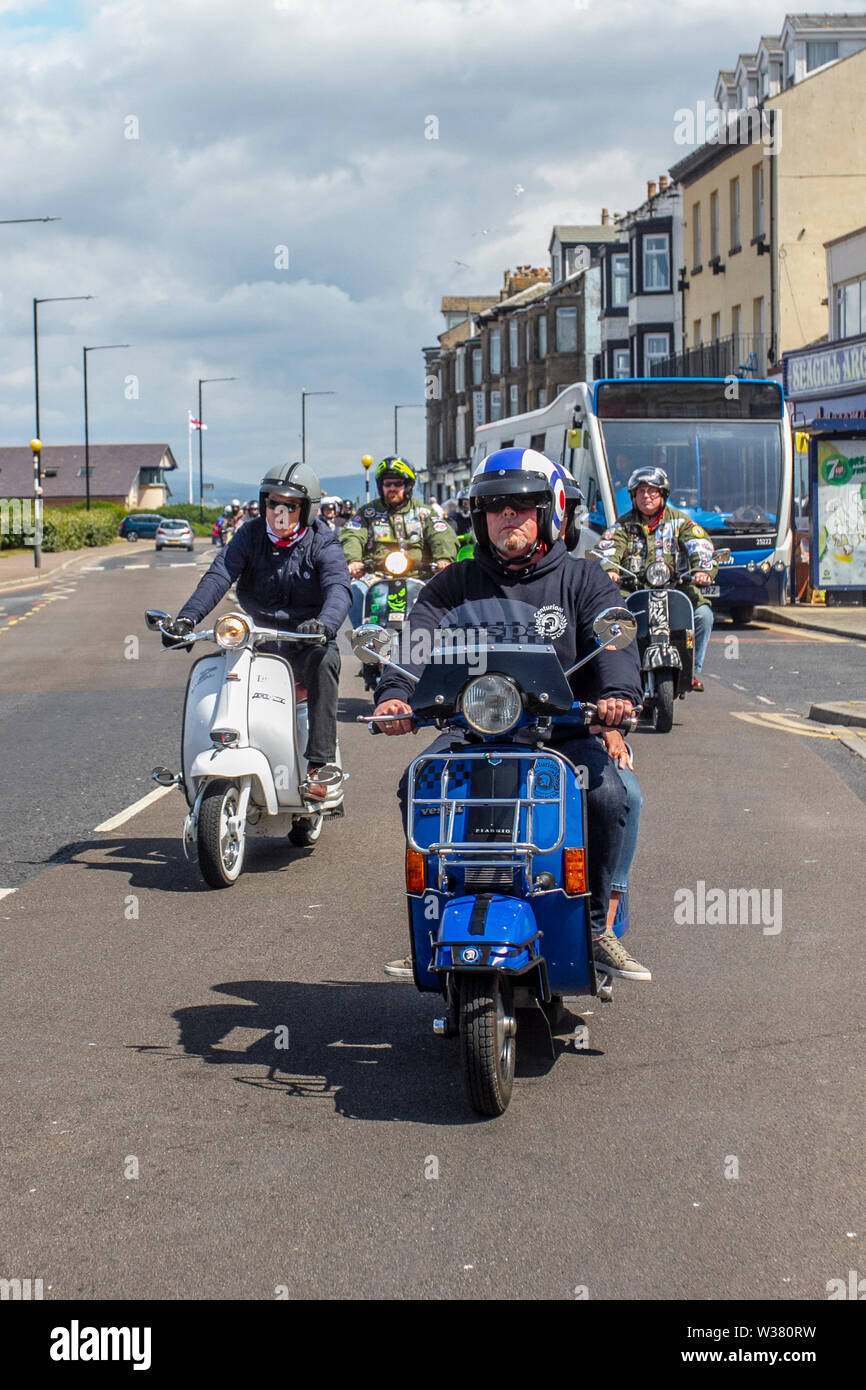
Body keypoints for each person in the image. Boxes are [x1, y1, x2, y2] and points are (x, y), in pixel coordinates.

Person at [374, 446, 651, 983]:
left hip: (561, 733)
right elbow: (417, 637)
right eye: (495, 508)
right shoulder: (454, 583)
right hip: (472, 734)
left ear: (549, 511)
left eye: (521, 506)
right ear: (480, 519)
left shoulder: (584, 579)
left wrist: (618, 695)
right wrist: (395, 693)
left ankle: (595, 928)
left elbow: (614, 642)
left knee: (609, 795)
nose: (508, 517)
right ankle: (434, 922)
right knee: (420, 784)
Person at [159, 462, 351, 800]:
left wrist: (325, 624)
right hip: (256, 636)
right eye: (273, 502)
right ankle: (206, 757)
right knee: (214, 672)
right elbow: (219, 575)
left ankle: (318, 766)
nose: (279, 512)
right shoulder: (249, 535)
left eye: (290, 505)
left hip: (306, 638)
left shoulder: (324, 542)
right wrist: (186, 620)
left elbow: (339, 588)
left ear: (307, 509)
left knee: (325, 662)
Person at [595, 466, 717, 691]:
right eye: (641, 491)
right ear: (633, 496)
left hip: (677, 588)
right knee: (612, 619)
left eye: (652, 491)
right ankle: (618, 671)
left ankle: (692, 670)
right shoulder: (623, 526)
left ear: (663, 495)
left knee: (703, 615)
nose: (646, 496)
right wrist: (610, 570)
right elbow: (608, 549)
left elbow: (699, 545)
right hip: (634, 590)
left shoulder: (680, 523)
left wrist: (702, 570)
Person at [339, 456, 458, 630]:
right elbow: (352, 535)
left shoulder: (424, 512)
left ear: (408, 485)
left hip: (420, 576)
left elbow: (441, 534)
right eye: (387, 484)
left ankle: (436, 635)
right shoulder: (368, 513)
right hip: (377, 576)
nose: (392, 488)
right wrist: (353, 560)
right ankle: (364, 635)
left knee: (445, 593)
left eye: (398, 483)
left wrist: (444, 558)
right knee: (355, 591)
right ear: (381, 486)